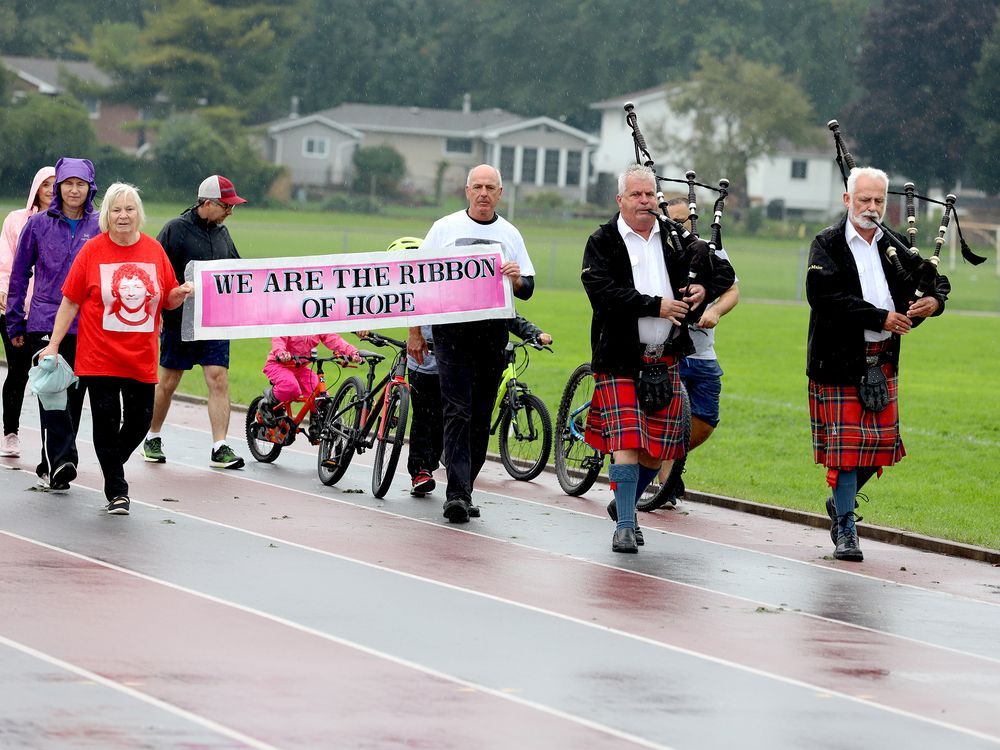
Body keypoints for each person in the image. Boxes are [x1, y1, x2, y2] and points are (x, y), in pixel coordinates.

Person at [582, 164, 735, 553]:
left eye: (650, 194)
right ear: (620, 200)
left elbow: (724, 272)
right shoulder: (603, 240)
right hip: (619, 359)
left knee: (659, 448)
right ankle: (627, 528)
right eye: (636, 195)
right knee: (628, 440)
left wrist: (702, 287)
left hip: (664, 360)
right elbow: (603, 292)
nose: (645, 201)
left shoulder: (675, 239)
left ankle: (625, 506)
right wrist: (656, 307)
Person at [807, 167, 948, 562]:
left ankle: (840, 502)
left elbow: (936, 282)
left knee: (878, 450)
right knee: (847, 454)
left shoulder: (896, 245)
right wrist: (879, 317)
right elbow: (823, 296)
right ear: (847, 200)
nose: (872, 208)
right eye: (865, 200)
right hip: (837, 363)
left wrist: (933, 304)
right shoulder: (828, 244)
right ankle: (846, 528)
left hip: (881, 363)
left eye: (879, 201)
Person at [37, 182, 194, 514]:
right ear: (106, 214)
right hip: (99, 357)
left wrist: (178, 295)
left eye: (130, 209)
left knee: (140, 421)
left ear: (139, 214)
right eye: (117, 209)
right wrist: (53, 344)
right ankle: (117, 490)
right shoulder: (93, 250)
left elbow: (166, 296)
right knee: (106, 422)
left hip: (142, 356)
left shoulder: (153, 250)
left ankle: (111, 461)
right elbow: (70, 301)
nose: (123, 216)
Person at [407, 165, 535, 523]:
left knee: (479, 416)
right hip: (452, 334)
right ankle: (457, 495)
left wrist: (516, 280)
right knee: (457, 411)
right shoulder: (444, 229)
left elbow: (528, 287)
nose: (483, 193)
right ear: (466, 191)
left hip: (492, 334)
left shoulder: (509, 233)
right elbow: (419, 282)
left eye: (489, 188)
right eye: (477, 186)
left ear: (500, 193)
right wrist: (415, 331)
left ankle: (465, 485)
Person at [390, 236, 551, 498]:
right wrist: (414, 334)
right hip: (425, 364)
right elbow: (412, 304)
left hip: (455, 367)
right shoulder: (436, 285)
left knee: (452, 419)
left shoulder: (482, 293)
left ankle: (453, 476)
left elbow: (508, 315)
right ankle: (421, 470)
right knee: (425, 417)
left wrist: (534, 332)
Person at [5, 158, 100, 490]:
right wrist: (15, 322)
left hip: (88, 326)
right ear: (57, 186)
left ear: (91, 187)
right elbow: (19, 275)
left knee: (73, 396)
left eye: (81, 184)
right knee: (52, 391)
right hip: (45, 320)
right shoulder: (38, 224)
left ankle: (51, 461)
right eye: (67, 183)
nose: (74, 190)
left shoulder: (99, 226)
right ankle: (64, 460)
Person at [143, 175, 247, 469]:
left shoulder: (223, 233)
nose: (230, 211)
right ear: (206, 203)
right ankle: (152, 436)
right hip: (180, 321)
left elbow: (239, 271)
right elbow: (155, 269)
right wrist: (164, 306)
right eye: (226, 205)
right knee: (169, 381)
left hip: (215, 321)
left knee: (218, 378)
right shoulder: (175, 229)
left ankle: (220, 446)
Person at [650, 198, 740, 504]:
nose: (679, 226)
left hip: (702, 353)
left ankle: (668, 460)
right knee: (660, 415)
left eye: (684, 220)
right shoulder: (659, 250)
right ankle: (665, 479)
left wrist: (716, 313)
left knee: (705, 420)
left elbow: (732, 291)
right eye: (672, 220)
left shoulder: (709, 249)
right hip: (667, 350)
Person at [0, 166, 55, 457]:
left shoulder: (64, 223)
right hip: (15, 309)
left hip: (49, 311)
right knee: (19, 370)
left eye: (54, 184)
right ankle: (11, 432)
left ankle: (54, 444)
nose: (50, 189)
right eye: (44, 184)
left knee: (51, 375)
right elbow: (5, 261)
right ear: (35, 188)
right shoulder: (15, 221)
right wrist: (5, 294)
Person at [258, 333, 362, 424]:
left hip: (300, 367)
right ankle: (266, 404)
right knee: (290, 387)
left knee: (320, 395)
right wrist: (280, 352)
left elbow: (332, 338)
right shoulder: (291, 320)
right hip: (279, 364)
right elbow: (279, 337)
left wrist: (351, 352)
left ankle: (316, 422)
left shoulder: (314, 322)